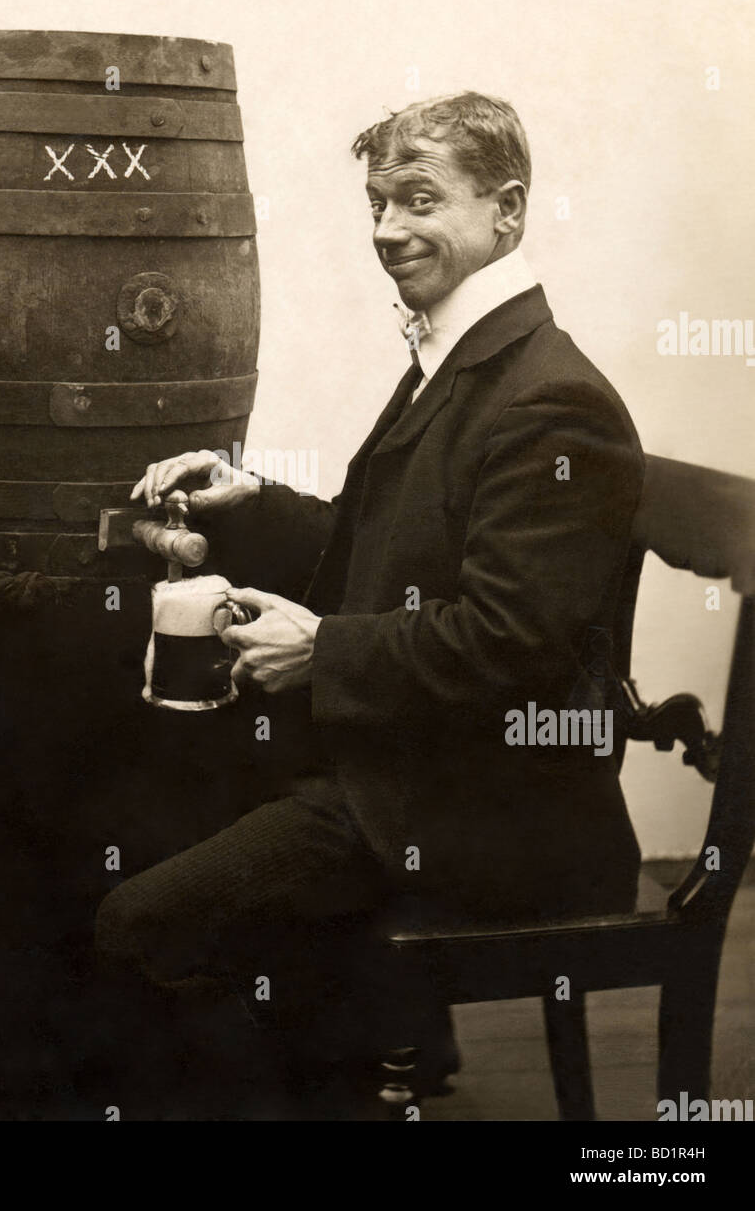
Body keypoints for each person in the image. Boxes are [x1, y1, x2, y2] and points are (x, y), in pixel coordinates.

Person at [94, 91, 644, 1115]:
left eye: (419, 199)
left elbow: (512, 641)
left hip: (495, 813)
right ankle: (354, 1056)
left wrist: (323, 651)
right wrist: (248, 500)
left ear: (507, 211)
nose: (388, 230)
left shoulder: (550, 400)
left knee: (142, 928)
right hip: (417, 767)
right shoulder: (464, 357)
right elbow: (385, 549)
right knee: (132, 801)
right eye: (378, 202)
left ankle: (323, 1079)